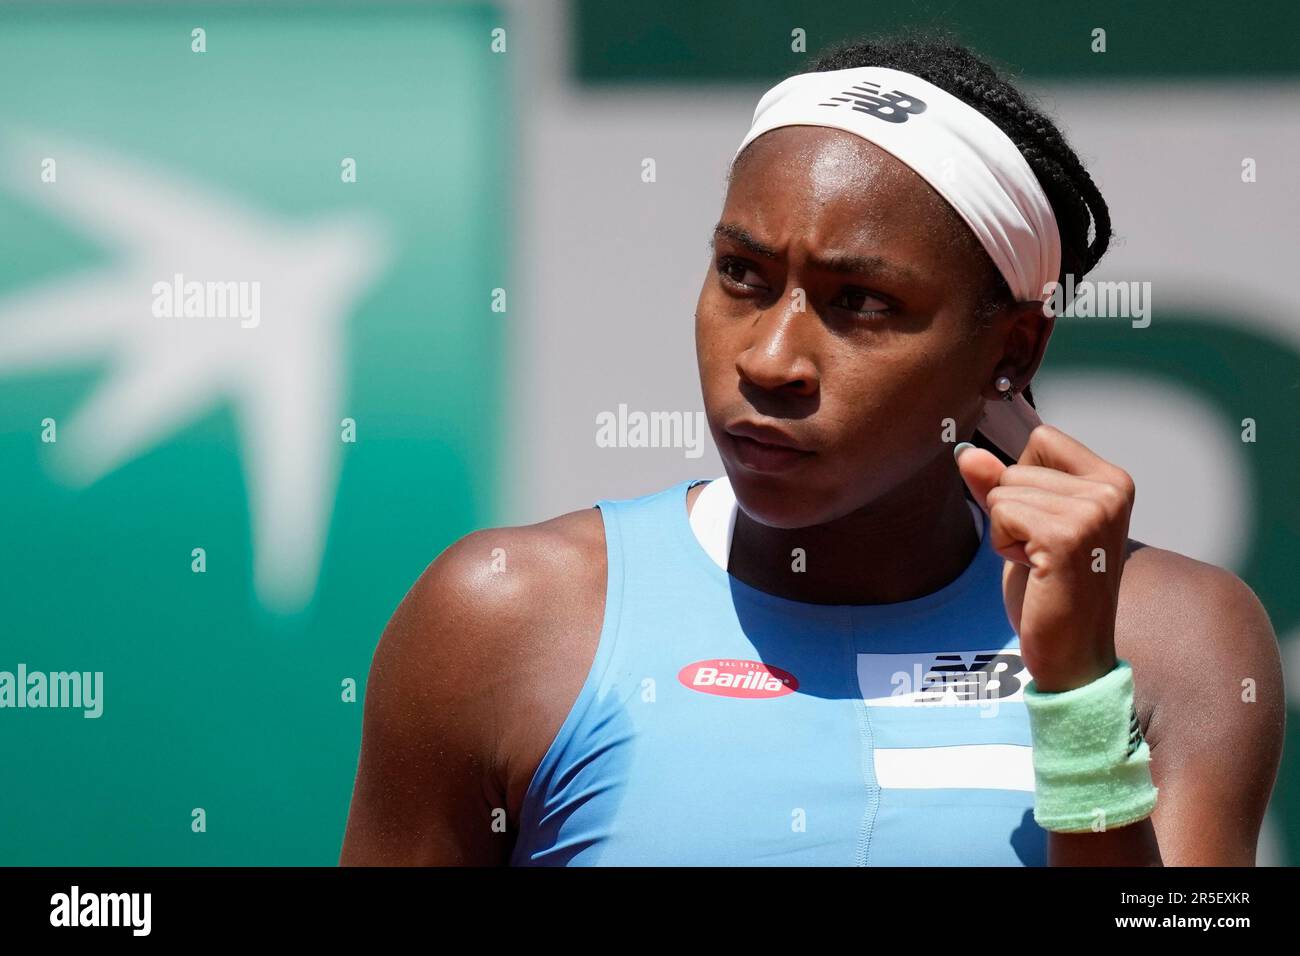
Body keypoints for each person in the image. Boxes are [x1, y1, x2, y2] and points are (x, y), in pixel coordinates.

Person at [339, 32, 1284, 866]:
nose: (770, 358)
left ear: (1012, 351)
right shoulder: (500, 620)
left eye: (862, 302)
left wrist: (1078, 686)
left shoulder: (1176, 638)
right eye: (742, 274)